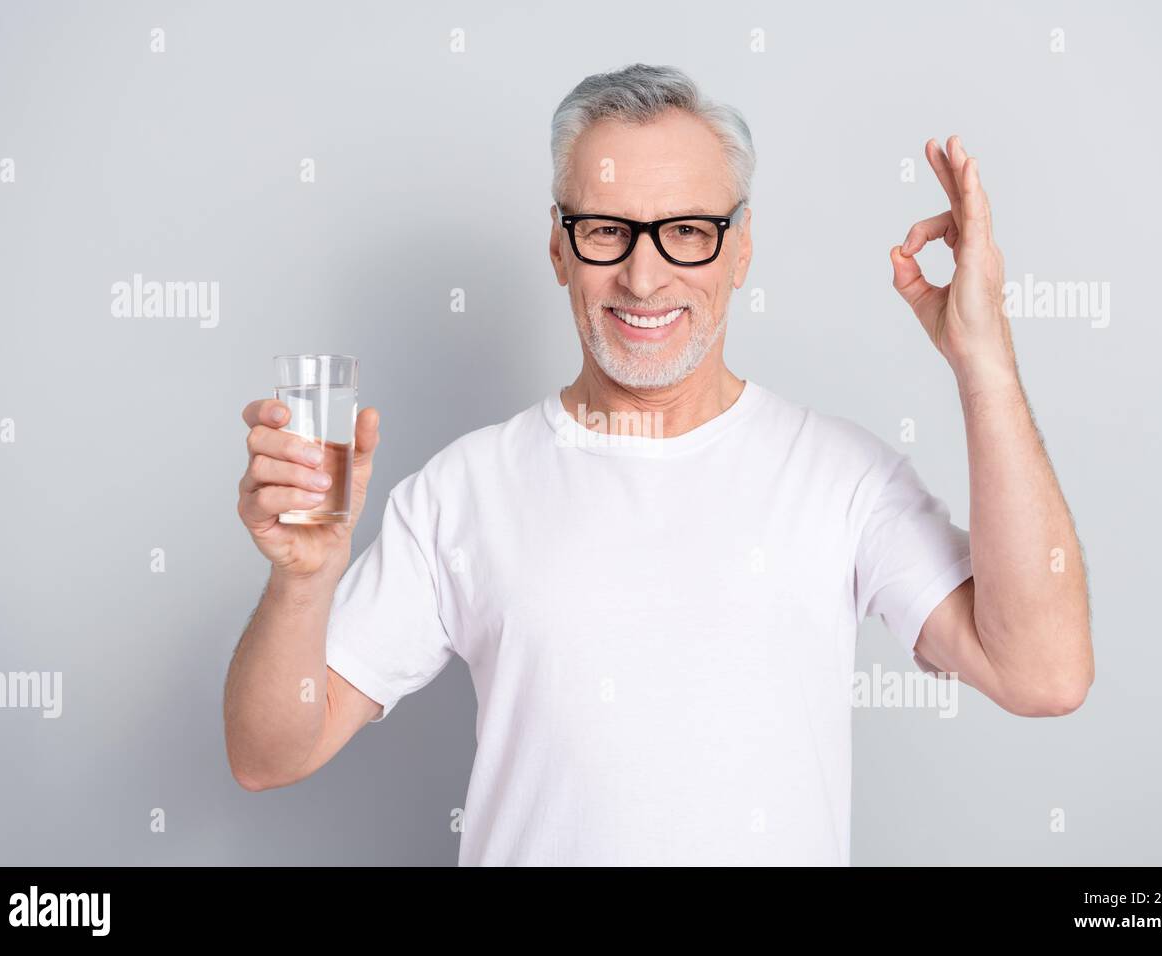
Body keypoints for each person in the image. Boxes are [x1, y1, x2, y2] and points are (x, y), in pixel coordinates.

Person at [223, 63, 1094, 866]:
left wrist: (985, 362)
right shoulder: (463, 492)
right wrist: (302, 582)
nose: (644, 278)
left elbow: (1044, 674)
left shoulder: (843, 480)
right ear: (560, 249)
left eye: (686, 231)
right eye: (607, 230)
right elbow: (269, 754)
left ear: (741, 248)